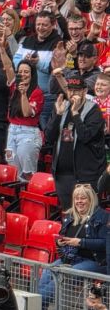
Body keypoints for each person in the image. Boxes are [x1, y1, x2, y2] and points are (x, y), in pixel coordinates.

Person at [38, 184, 107, 310]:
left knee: (62, 276)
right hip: (71, 258)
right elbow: (63, 235)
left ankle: (35, 304)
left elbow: (105, 243)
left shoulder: (102, 217)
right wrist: (60, 241)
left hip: (95, 261)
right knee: (47, 272)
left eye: (83, 198)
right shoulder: (70, 216)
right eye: (76, 198)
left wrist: (81, 242)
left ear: (91, 200)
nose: (79, 201)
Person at [44, 74, 105, 209]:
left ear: (84, 91)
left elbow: (85, 137)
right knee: (68, 214)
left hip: (86, 175)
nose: (73, 94)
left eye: (77, 90)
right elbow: (49, 137)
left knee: (88, 215)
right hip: (63, 174)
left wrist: (76, 114)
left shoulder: (93, 110)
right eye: (70, 90)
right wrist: (58, 115)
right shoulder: (62, 106)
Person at [0, 52, 43, 181]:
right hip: (12, 130)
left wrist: (23, 94)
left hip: (28, 133)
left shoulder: (37, 92)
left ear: (32, 74)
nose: (23, 74)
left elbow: (26, 113)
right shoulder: (15, 86)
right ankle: (18, 194)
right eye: (20, 72)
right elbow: (8, 66)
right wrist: (2, 48)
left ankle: (30, 193)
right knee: (13, 171)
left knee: (27, 174)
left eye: (26, 72)